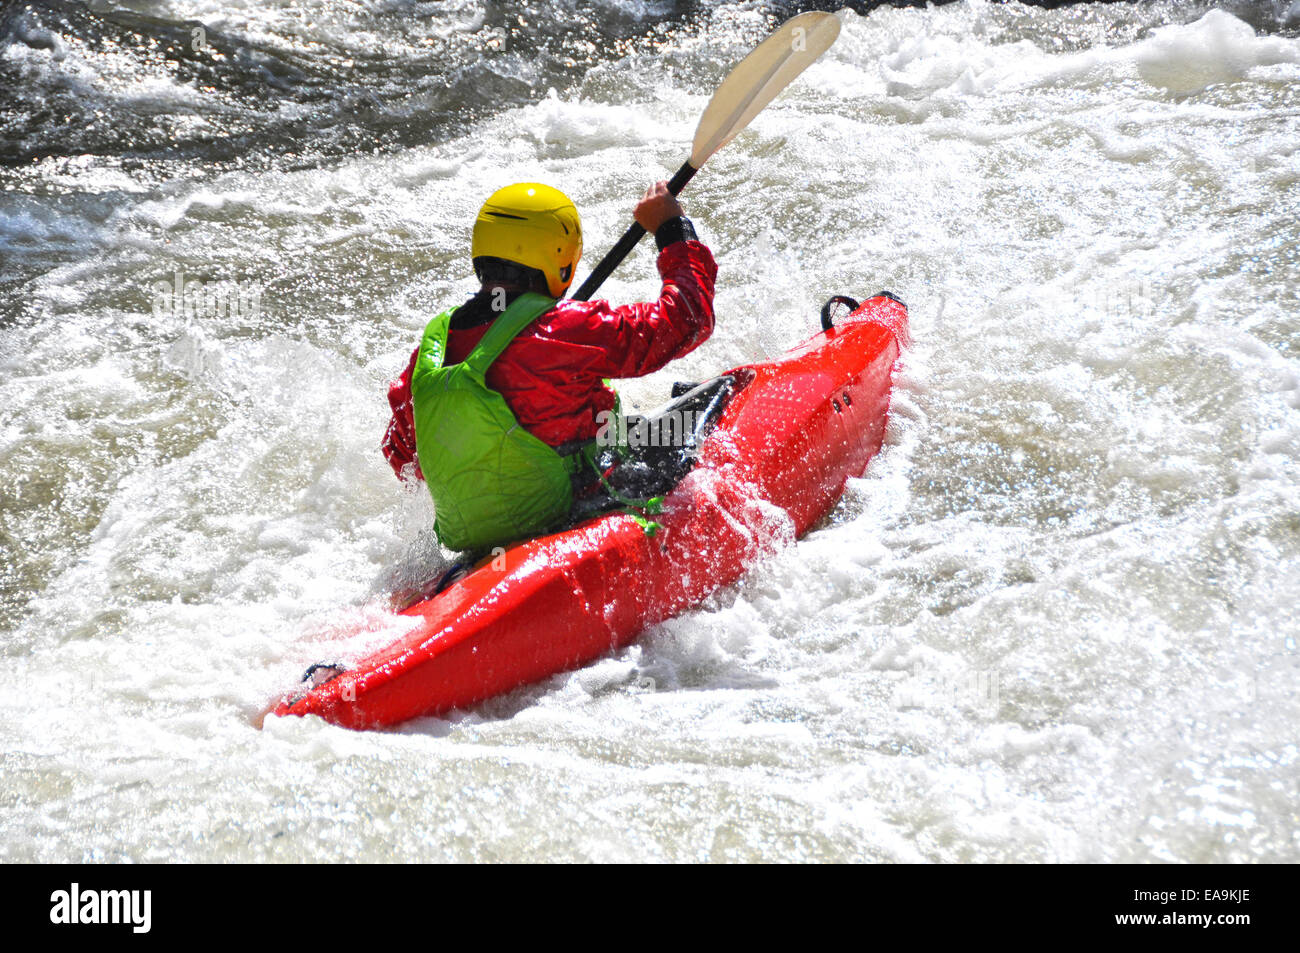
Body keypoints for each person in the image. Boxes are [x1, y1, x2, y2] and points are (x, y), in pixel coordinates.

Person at [382, 180, 717, 552]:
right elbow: (687, 319)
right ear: (561, 262)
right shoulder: (565, 329)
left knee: (631, 429)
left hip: (480, 541)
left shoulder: (431, 353)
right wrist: (672, 229)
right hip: (577, 511)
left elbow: (401, 454)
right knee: (702, 416)